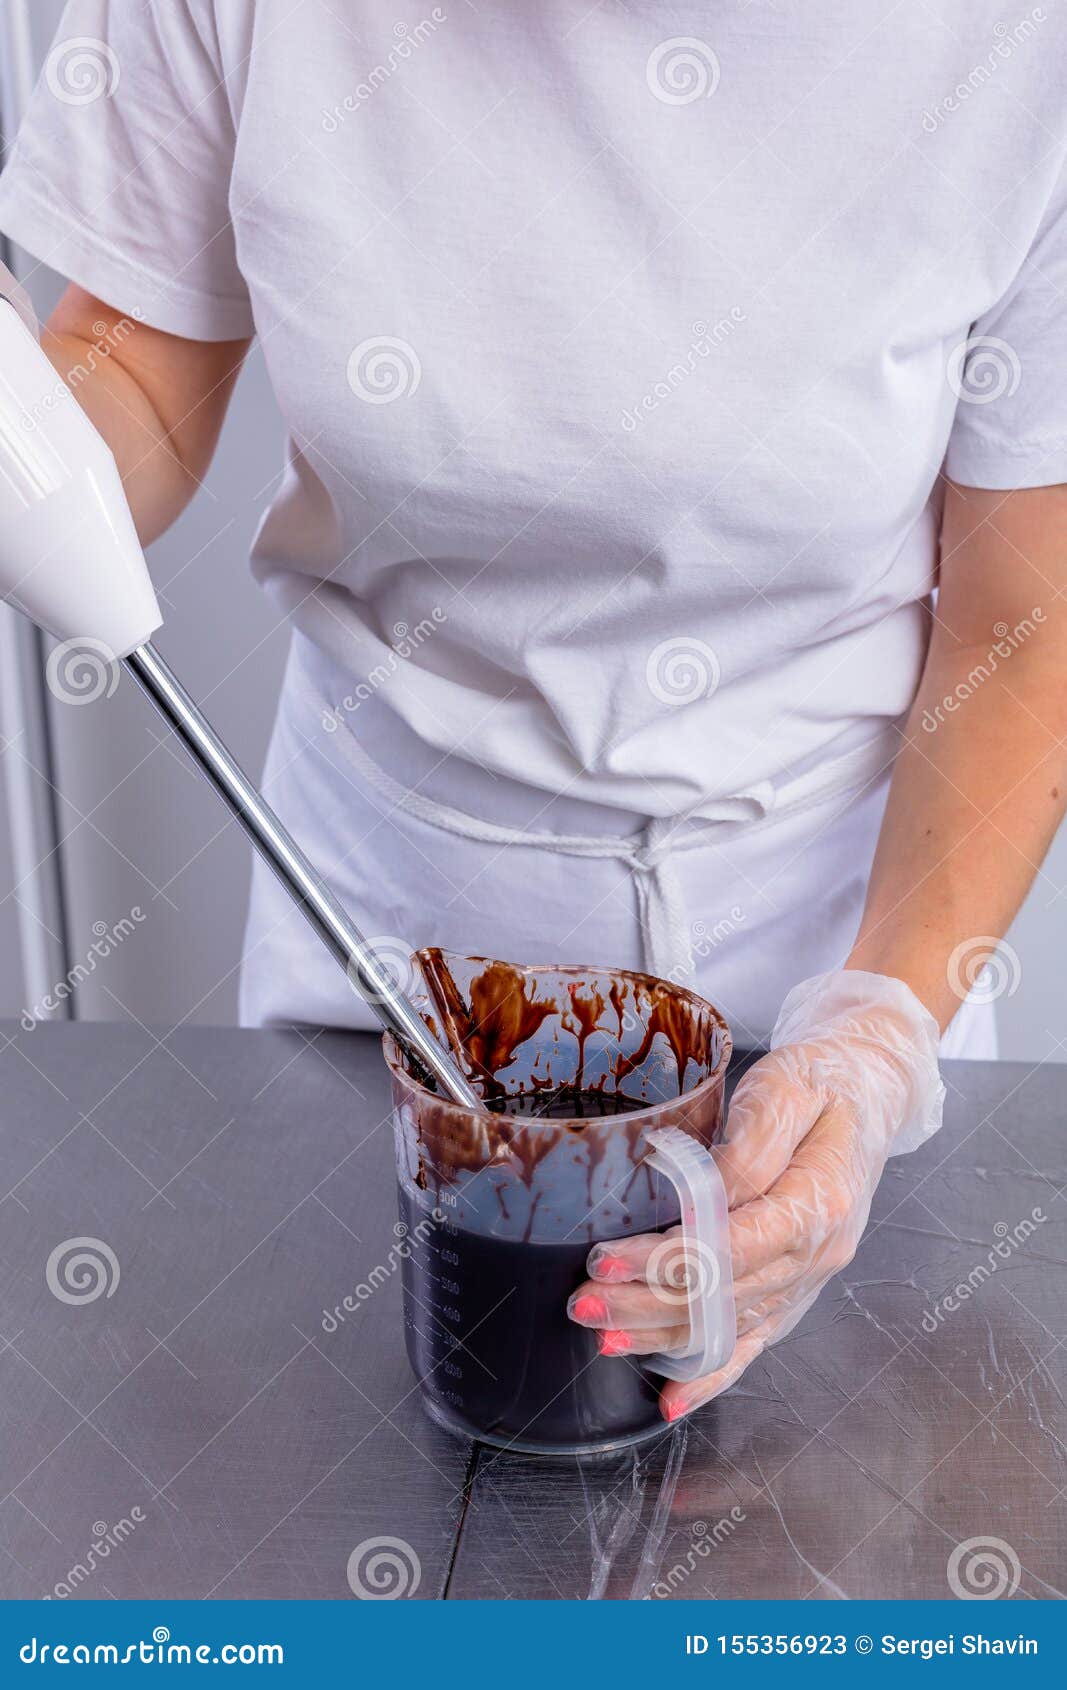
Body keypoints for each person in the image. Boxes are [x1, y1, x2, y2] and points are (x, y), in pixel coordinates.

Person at [2, 0, 1064, 1423]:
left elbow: (1023, 623)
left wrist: (872, 1039)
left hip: (833, 964)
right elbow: (131, 368)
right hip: (375, 960)